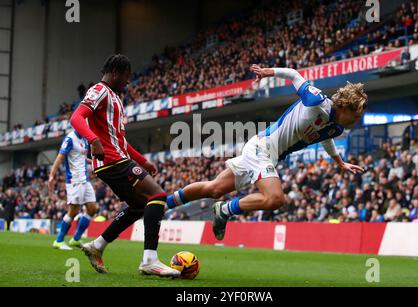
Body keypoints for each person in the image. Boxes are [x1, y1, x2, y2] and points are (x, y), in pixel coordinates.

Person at [167, 64, 367, 241]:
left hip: (269, 154)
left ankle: (163, 204)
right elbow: (295, 75)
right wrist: (267, 72)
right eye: (356, 115)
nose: (356, 120)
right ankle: (225, 209)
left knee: (214, 189)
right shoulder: (316, 101)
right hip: (261, 148)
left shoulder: (336, 128)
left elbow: (325, 137)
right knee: (275, 199)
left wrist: (340, 162)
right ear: (344, 108)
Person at [70, 54, 179, 278]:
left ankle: (97, 246)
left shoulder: (116, 98)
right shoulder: (99, 90)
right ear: (115, 73)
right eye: (126, 76)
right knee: (158, 195)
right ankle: (150, 260)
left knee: (139, 206)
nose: (128, 82)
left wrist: (143, 160)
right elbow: (77, 117)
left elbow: (120, 141)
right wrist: (93, 139)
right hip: (112, 160)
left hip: (118, 157)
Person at [49, 130, 98, 250]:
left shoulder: (85, 138)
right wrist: (52, 175)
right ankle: (59, 241)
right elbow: (60, 157)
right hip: (74, 180)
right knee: (74, 211)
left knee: (92, 209)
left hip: (85, 180)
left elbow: (81, 156)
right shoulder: (70, 139)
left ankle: (75, 239)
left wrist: (92, 162)